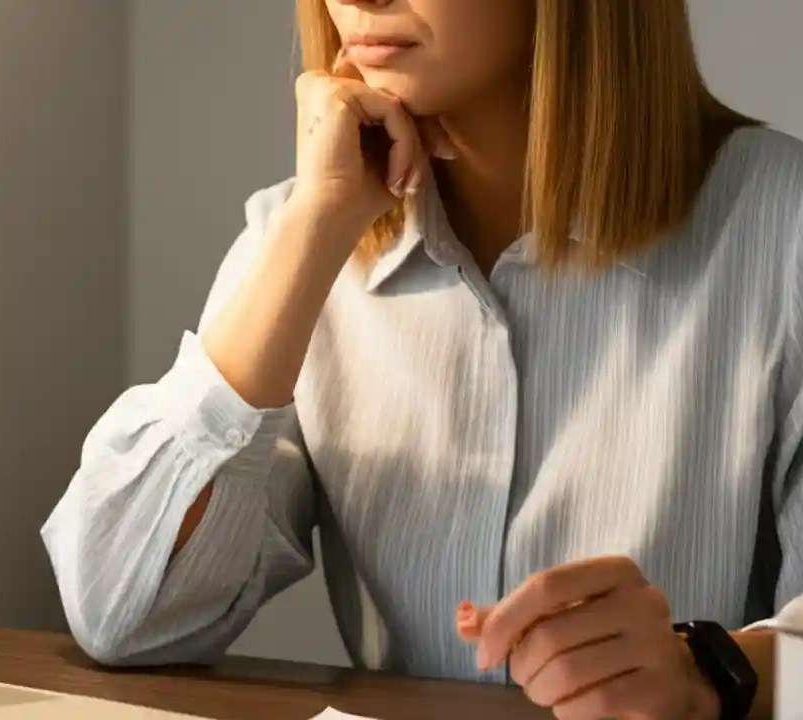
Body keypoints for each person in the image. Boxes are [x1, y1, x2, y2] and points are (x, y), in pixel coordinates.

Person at [42, 1, 803, 718]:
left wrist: (710, 677)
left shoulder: (782, 225)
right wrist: (313, 231)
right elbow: (121, 614)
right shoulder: (304, 233)